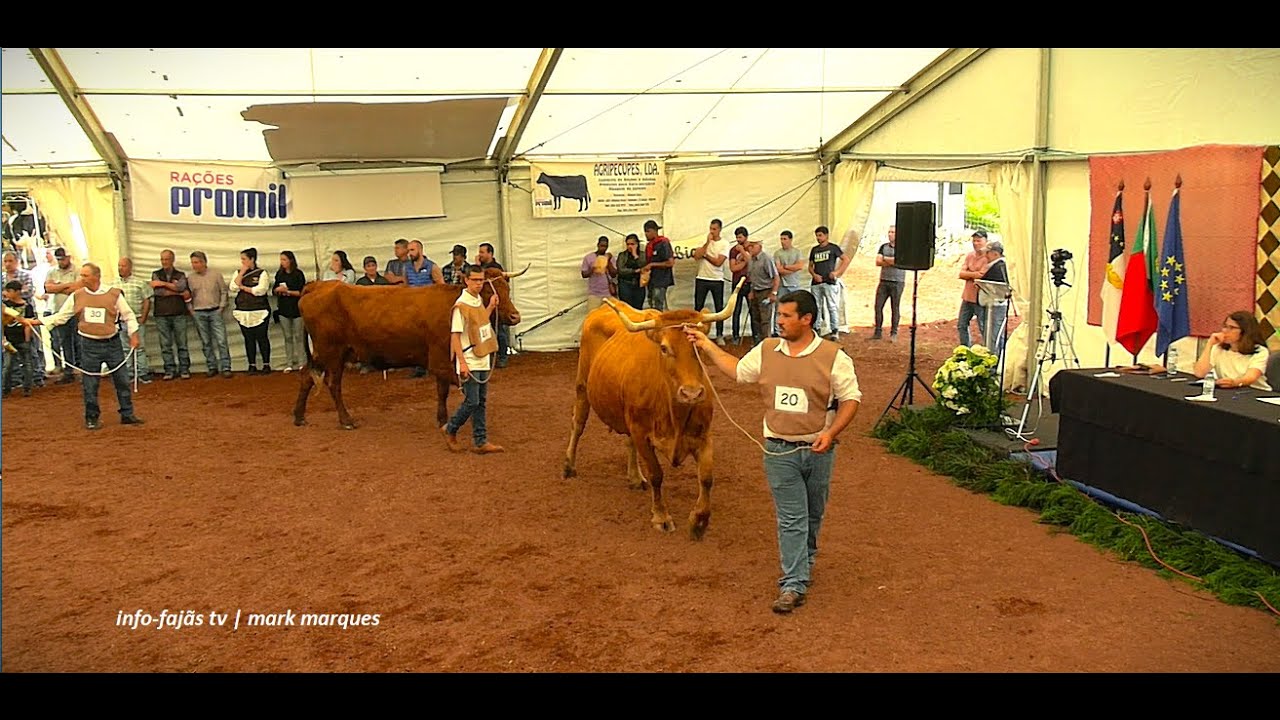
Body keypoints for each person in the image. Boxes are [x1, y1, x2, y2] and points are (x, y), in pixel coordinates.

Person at [683, 289, 862, 614]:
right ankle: (793, 583)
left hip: (820, 449)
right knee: (792, 517)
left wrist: (832, 433)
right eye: (778, 316)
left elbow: (852, 399)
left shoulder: (835, 356)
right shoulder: (766, 350)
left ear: (807, 320)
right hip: (779, 450)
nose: (778, 321)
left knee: (814, 512)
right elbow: (738, 371)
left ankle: (803, 564)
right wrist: (705, 344)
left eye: (786, 316)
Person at [28, 263, 145, 430]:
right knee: (90, 383)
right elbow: (61, 317)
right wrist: (38, 322)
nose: (81, 278)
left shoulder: (114, 294)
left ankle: (127, 413)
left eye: (85, 275)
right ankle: (91, 417)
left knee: (122, 380)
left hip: (112, 343)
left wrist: (133, 335)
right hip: (89, 344)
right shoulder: (77, 296)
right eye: (81, 275)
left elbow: (128, 315)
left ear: (96, 276)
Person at [440, 266, 505, 455]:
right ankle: (451, 428)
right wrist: (462, 362)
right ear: (466, 280)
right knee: (472, 401)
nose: (478, 284)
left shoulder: (476, 300)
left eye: (480, 280)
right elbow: (455, 337)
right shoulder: (461, 305)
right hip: (469, 357)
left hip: (482, 355)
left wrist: (491, 307)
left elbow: (480, 323)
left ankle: (480, 440)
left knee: (480, 400)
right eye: (475, 280)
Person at [1192, 311, 1272, 391]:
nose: (1225, 331)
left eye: (1232, 328)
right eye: (1225, 326)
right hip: (1230, 391)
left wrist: (1235, 382)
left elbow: (1250, 377)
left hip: (1255, 392)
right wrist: (1209, 345)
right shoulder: (1218, 348)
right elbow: (1200, 373)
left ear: (1245, 331)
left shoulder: (1260, 351)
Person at [186, 251, 233, 378]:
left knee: (221, 340)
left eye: (196, 262)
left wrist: (221, 307)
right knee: (206, 342)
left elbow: (224, 291)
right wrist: (191, 310)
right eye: (192, 263)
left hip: (215, 310)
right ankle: (212, 366)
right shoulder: (190, 278)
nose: (194, 265)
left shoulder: (216, 275)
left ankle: (226, 367)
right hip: (199, 311)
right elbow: (187, 295)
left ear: (203, 262)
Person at [150, 249, 191, 381]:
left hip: (178, 312)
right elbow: (158, 292)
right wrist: (176, 291)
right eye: (162, 259)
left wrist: (164, 284)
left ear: (172, 260)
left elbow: (181, 287)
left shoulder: (180, 274)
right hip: (161, 313)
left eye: (166, 259)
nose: (164, 262)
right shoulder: (155, 274)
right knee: (165, 344)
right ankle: (169, 369)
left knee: (182, 343)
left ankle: (184, 369)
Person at [231, 248, 273, 375]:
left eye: (244, 259)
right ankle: (252, 364)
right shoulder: (238, 272)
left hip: (259, 310)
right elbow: (233, 287)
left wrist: (243, 287)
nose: (242, 262)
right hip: (243, 311)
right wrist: (242, 273)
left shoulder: (262, 273)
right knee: (248, 339)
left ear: (252, 259)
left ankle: (266, 364)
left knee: (262, 337)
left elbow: (260, 290)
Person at [692, 219, 730, 342]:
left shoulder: (724, 244)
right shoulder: (704, 242)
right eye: (711, 228)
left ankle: (719, 335)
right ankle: (696, 332)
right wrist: (707, 243)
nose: (712, 231)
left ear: (720, 229)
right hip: (702, 278)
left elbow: (718, 262)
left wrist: (706, 255)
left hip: (716, 279)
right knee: (698, 307)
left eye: (714, 229)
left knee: (719, 308)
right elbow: (696, 256)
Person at [807, 226, 844, 341]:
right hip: (816, 282)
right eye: (817, 236)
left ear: (826, 235)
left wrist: (837, 272)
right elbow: (810, 266)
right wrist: (814, 275)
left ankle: (834, 330)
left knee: (832, 306)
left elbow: (845, 259)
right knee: (816, 306)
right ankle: (816, 329)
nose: (818, 238)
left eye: (820, 235)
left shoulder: (833, 248)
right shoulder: (814, 250)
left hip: (829, 282)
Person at [274, 251, 307, 373]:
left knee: (299, 336)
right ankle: (289, 363)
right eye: (281, 260)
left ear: (290, 260)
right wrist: (278, 290)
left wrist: (288, 292)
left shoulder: (298, 274)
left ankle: (302, 362)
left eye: (284, 260)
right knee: (287, 337)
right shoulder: (279, 274)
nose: (282, 262)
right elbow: (274, 290)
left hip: (297, 310)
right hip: (283, 310)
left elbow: (302, 292)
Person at [957, 230, 990, 347]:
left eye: (979, 241)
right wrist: (974, 274)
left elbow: (982, 276)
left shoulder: (988, 257)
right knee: (961, 324)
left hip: (980, 298)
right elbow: (961, 273)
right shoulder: (970, 255)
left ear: (986, 241)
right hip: (967, 297)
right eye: (974, 241)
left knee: (983, 327)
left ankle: (988, 351)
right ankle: (965, 348)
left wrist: (969, 274)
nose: (976, 243)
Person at [2, 280, 36, 396]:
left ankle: (27, 387)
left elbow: (28, 325)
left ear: (17, 292)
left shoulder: (27, 306)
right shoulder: (4, 306)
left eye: (9, 291)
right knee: (7, 366)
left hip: (21, 339)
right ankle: (5, 389)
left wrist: (27, 340)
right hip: (9, 339)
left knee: (27, 364)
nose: (6, 293)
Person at [872, 225, 904, 341]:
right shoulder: (883, 247)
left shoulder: (903, 248)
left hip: (897, 281)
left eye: (893, 232)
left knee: (895, 307)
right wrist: (892, 261)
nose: (890, 234)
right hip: (884, 280)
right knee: (878, 306)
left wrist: (886, 259)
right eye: (889, 232)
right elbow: (878, 261)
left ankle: (894, 332)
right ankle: (878, 331)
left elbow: (900, 261)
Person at [977, 241, 1010, 355]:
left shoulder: (999, 266)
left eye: (988, 253)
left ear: (995, 254)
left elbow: (1000, 287)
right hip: (991, 305)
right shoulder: (994, 266)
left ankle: (994, 362)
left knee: (994, 336)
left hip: (997, 305)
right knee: (992, 334)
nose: (985, 255)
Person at [642, 220, 675, 311]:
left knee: (658, 304)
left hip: (661, 280)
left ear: (654, 231)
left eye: (648, 231)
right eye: (645, 231)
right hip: (652, 280)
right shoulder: (650, 245)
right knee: (652, 304)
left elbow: (670, 262)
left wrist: (652, 265)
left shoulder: (663, 243)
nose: (646, 234)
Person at [580, 236, 616, 306]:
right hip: (594, 294)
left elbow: (614, 274)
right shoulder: (589, 257)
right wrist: (593, 269)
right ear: (598, 245)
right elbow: (584, 274)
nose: (603, 248)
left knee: (608, 316)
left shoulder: (609, 257)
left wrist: (607, 261)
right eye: (602, 246)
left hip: (608, 293)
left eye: (605, 246)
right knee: (593, 315)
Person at [615, 233, 647, 310]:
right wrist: (634, 271)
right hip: (625, 283)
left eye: (632, 244)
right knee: (626, 308)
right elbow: (620, 270)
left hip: (638, 284)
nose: (630, 246)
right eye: (628, 244)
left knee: (638, 307)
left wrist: (635, 255)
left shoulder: (642, 255)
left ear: (637, 244)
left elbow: (643, 266)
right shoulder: (622, 255)